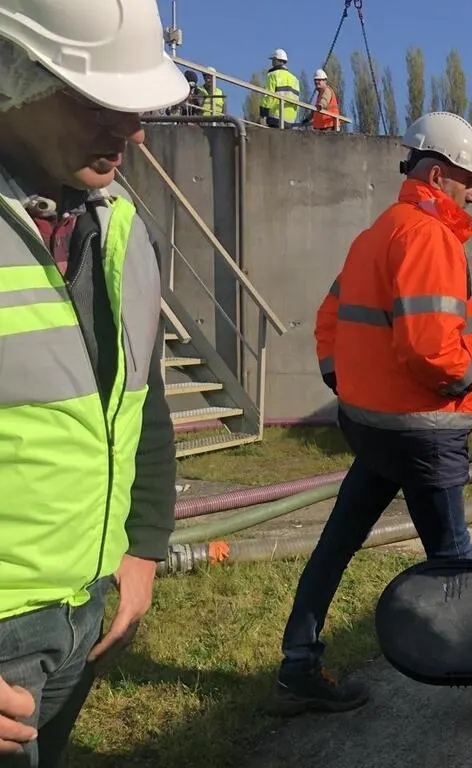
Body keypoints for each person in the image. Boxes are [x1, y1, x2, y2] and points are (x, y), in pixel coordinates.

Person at [275, 111, 472, 732]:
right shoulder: (431, 237)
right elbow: (429, 345)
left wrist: (344, 382)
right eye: (468, 180)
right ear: (438, 173)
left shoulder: (375, 234)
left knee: (337, 543)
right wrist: (466, 379)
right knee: (457, 562)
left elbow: (329, 321)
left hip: (371, 426)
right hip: (423, 431)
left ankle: (297, 663)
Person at [0, 1, 186, 766]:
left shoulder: (120, 228)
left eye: (136, 105)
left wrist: (140, 552)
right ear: (13, 77)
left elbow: (143, 410)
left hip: (85, 610)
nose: (132, 129)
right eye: (100, 101)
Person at [260, 49, 301, 129]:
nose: (272, 63)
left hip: (276, 117)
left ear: (276, 60)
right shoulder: (295, 79)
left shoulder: (273, 75)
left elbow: (268, 95)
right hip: (290, 120)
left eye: (273, 60)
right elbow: (297, 101)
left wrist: (263, 112)